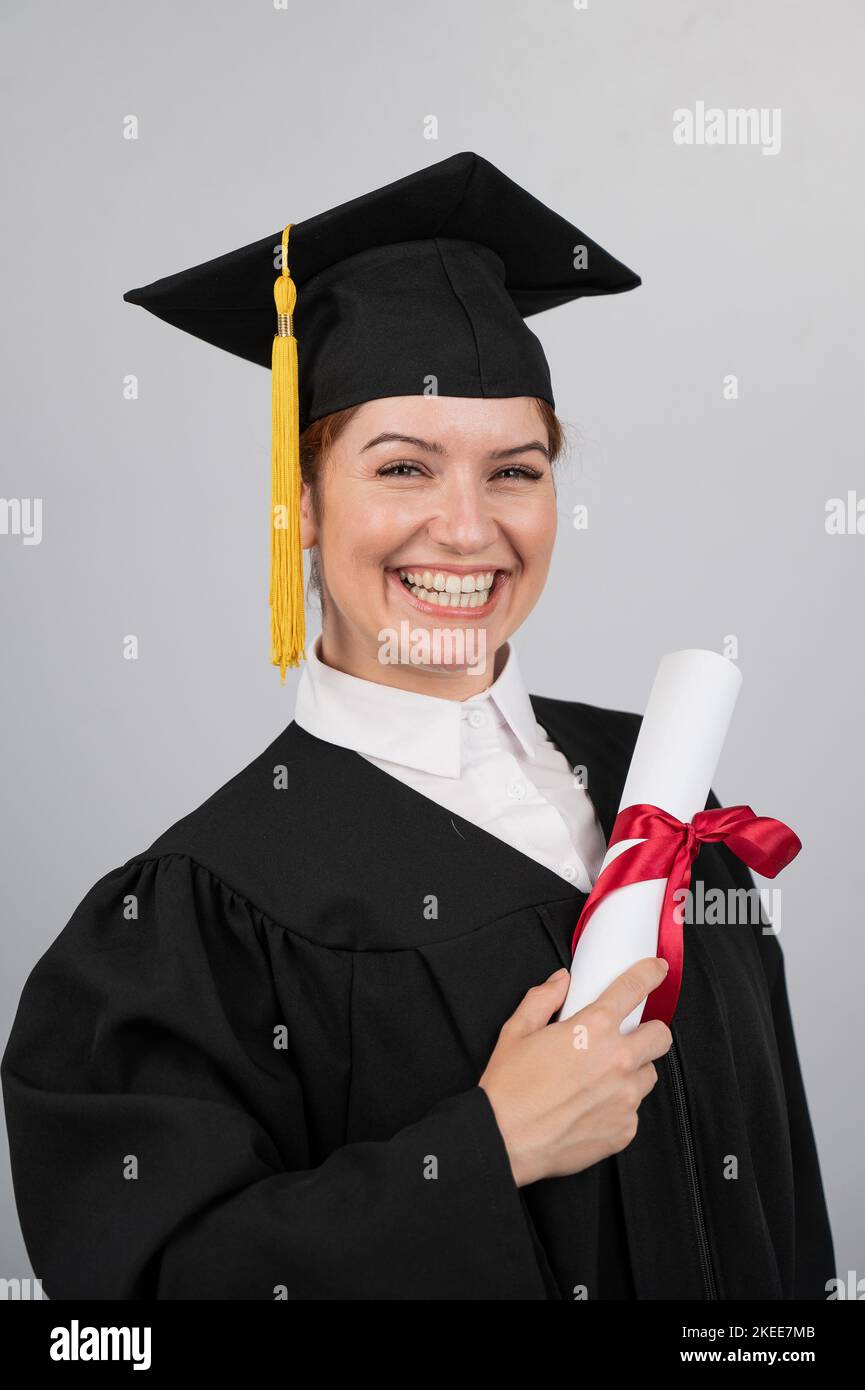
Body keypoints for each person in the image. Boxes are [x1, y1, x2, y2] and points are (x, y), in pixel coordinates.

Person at [1, 152, 834, 1300]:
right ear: (301, 503)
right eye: (402, 466)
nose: (465, 526)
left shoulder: (665, 791)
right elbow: (144, 1306)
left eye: (515, 470)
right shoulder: (191, 923)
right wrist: (485, 1151)